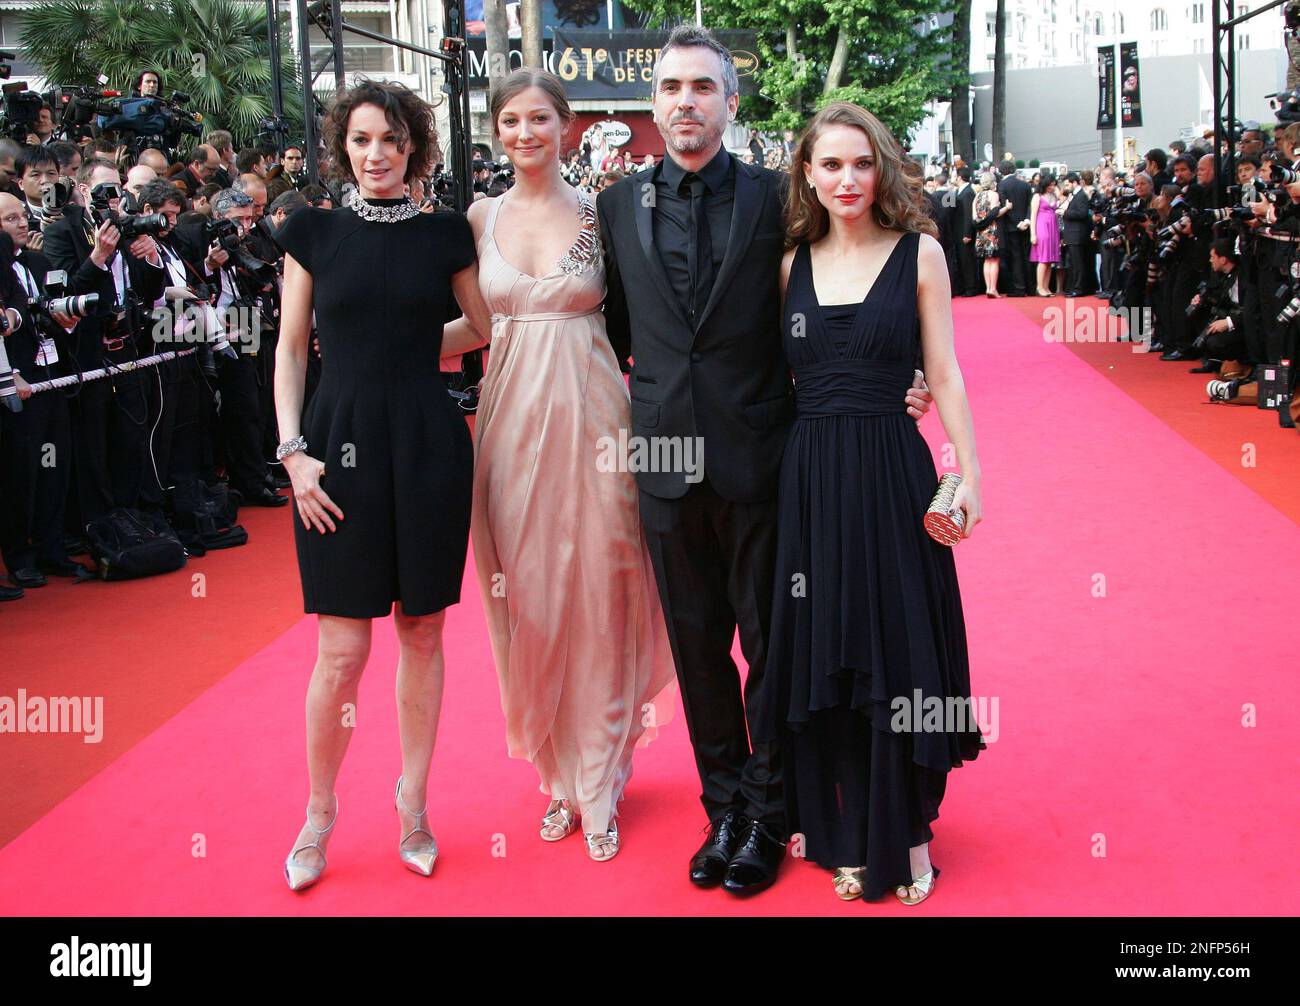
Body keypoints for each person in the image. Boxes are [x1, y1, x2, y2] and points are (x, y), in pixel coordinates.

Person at [596, 25, 932, 896]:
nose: (684, 102)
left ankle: (773, 811)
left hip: (762, 456)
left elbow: (833, 293)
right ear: (654, 101)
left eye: (702, 88)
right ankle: (725, 811)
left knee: (771, 641)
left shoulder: (772, 202)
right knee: (698, 647)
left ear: (730, 103)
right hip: (665, 458)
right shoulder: (617, 206)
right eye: (669, 87)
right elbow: (626, 333)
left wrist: (895, 376)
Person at [443, 68, 676, 862]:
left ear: (567, 125)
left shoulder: (604, 212)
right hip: (509, 422)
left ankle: (602, 773)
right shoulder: (477, 217)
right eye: (510, 120)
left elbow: (649, 312)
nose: (524, 133)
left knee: (605, 584)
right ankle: (554, 774)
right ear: (496, 130)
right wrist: (373, 342)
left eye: (539, 118)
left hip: (596, 418)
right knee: (531, 592)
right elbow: (469, 328)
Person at [758, 101, 984, 905]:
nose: (846, 179)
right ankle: (846, 831)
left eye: (861, 163)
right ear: (808, 176)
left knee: (899, 643)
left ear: (881, 169)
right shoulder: (789, 264)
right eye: (830, 165)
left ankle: (910, 831)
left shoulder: (921, 254)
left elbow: (945, 371)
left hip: (894, 470)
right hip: (811, 479)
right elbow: (774, 382)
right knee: (831, 649)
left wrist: (969, 469)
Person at [271, 79, 492, 891]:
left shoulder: (444, 236)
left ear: (414, 150)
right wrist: (293, 454)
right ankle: (319, 814)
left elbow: (483, 330)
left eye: (391, 141)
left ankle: (414, 807)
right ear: (343, 147)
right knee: (340, 650)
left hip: (430, 447)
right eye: (362, 140)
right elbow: (292, 349)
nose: (375, 155)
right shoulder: (314, 233)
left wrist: (410, 346)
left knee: (423, 633)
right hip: (334, 449)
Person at [1029, 174, 1061, 296]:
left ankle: (1046, 287)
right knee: (1043, 259)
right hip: (1042, 227)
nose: (1052, 187)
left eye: (1053, 185)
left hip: (1053, 227)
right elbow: (1033, 216)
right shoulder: (1037, 196)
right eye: (1050, 185)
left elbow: (1061, 198)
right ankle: (1039, 287)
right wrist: (1033, 234)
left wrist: (1057, 189)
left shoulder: (1053, 195)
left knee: (1049, 260)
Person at [972, 172, 1003, 296]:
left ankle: (987, 288)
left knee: (986, 260)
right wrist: (1006, 208)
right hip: (992, 229)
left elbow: (974, 217)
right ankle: (993, 288)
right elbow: (995, 213)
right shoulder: (994, 195)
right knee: (994, 259)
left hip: (981, 232)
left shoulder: (976, 197)